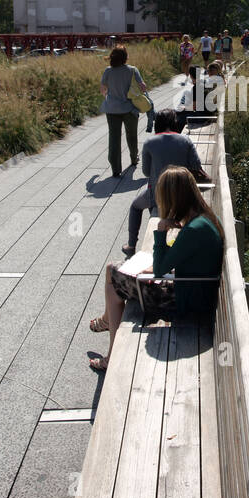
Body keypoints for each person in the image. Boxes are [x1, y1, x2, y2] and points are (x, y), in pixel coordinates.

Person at [88, 166, 224, 370]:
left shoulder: (193, 230)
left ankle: (111, 354)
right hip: (193, 290)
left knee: (112, 275)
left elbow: (160, 269)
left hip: (182, 300)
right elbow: (183, 258)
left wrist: (160, 231)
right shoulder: (205, 218)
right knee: (115, 274)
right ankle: (107, 320)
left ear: (174, 197)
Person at [121, 109, 209, 257]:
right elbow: (196, 165)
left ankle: (131, 245)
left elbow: (146, 172)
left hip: (158, 195)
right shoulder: (185, 140)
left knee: (135, 206)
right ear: (174, 122)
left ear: (158, 124)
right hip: (183, 194)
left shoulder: (150, 142)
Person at [99, 44, 146, 177]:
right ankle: (134, 158)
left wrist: (109, 97)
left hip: (112, 109)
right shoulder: (132, 70)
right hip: (130, 108)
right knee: (132, 135)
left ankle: (115, 168)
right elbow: (143, 87)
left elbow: (102, 89)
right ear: (125, 57)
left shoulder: (108, 71)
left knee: (114, 138)